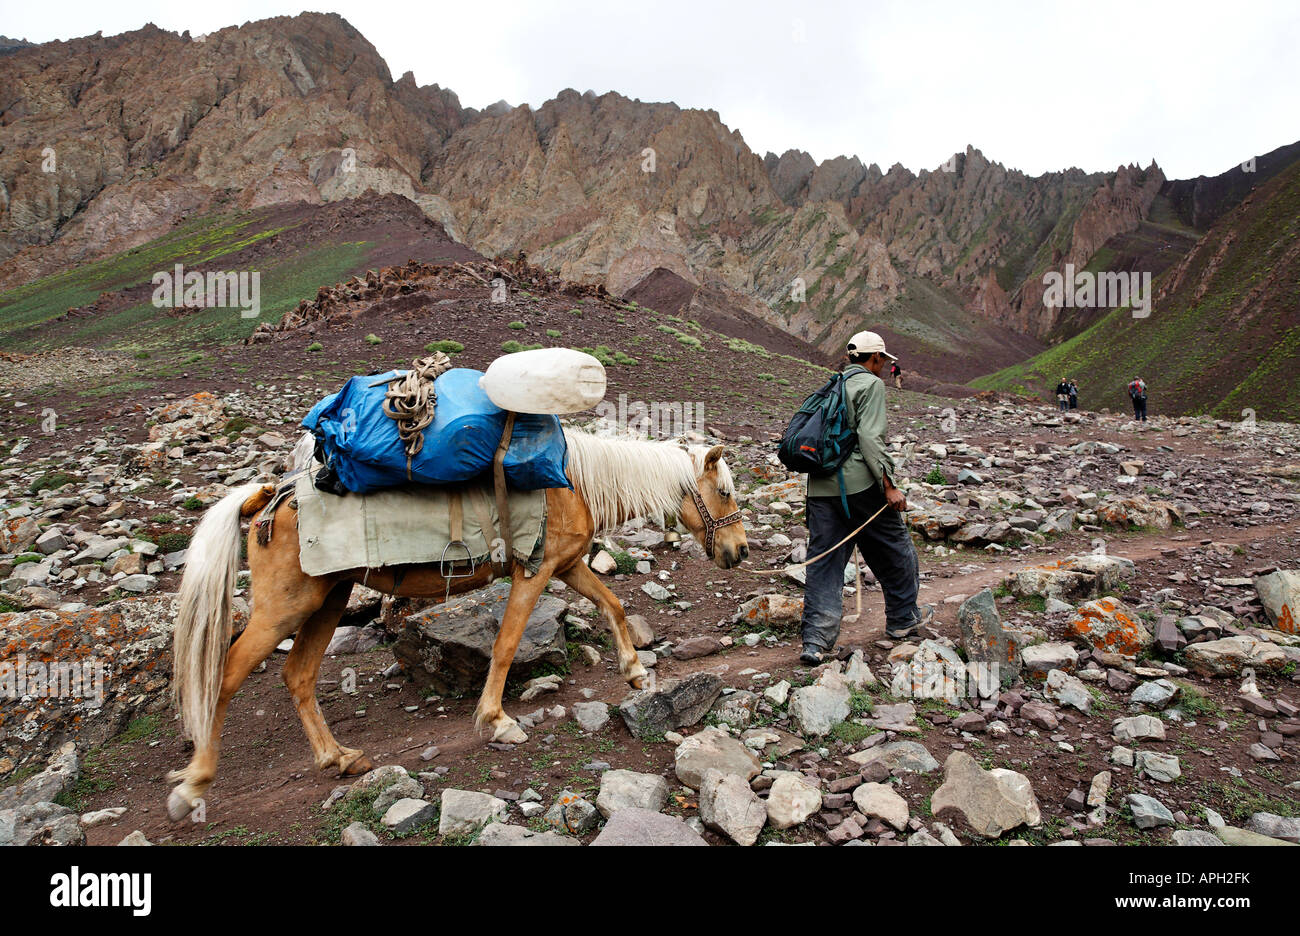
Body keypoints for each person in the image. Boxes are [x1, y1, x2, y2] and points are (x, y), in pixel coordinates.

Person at [798, 330, 931, 664]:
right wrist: (889, 486)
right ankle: (903, 620)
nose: (884, 366)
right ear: (874, 358)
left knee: (824, 563)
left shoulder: (833, 385)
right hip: (860, 488)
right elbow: (871, 439)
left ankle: (815, 641)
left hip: (820, 488)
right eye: (883, 360)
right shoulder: (871, 385)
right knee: (895, 549)